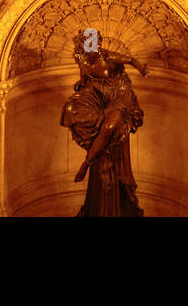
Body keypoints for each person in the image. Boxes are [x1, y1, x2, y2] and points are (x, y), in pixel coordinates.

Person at [60, 29, 147, 216]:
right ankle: (95, 151)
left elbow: (131, 60)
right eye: (90, 45)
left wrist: (143, 69)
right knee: (71, 108)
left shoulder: (108, 57)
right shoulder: (81, 58)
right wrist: (80, 81)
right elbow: (85, 75)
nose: (96, 48)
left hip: (121, 97)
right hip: (100, 95)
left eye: (97, 44)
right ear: (84, 46)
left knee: (108, 126)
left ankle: (86, 164)